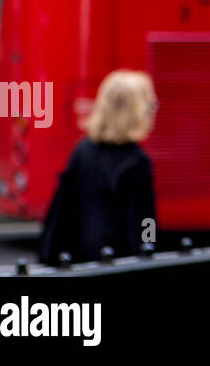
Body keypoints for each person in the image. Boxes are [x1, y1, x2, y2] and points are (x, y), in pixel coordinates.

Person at [38, 70, 158, 265]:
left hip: (80, 259)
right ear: (137, 112)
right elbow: (145, 223)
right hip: (118, 261)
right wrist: (150, 249)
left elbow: (62, 211)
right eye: (151, 105)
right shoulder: (137, 161)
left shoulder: (82, 151)